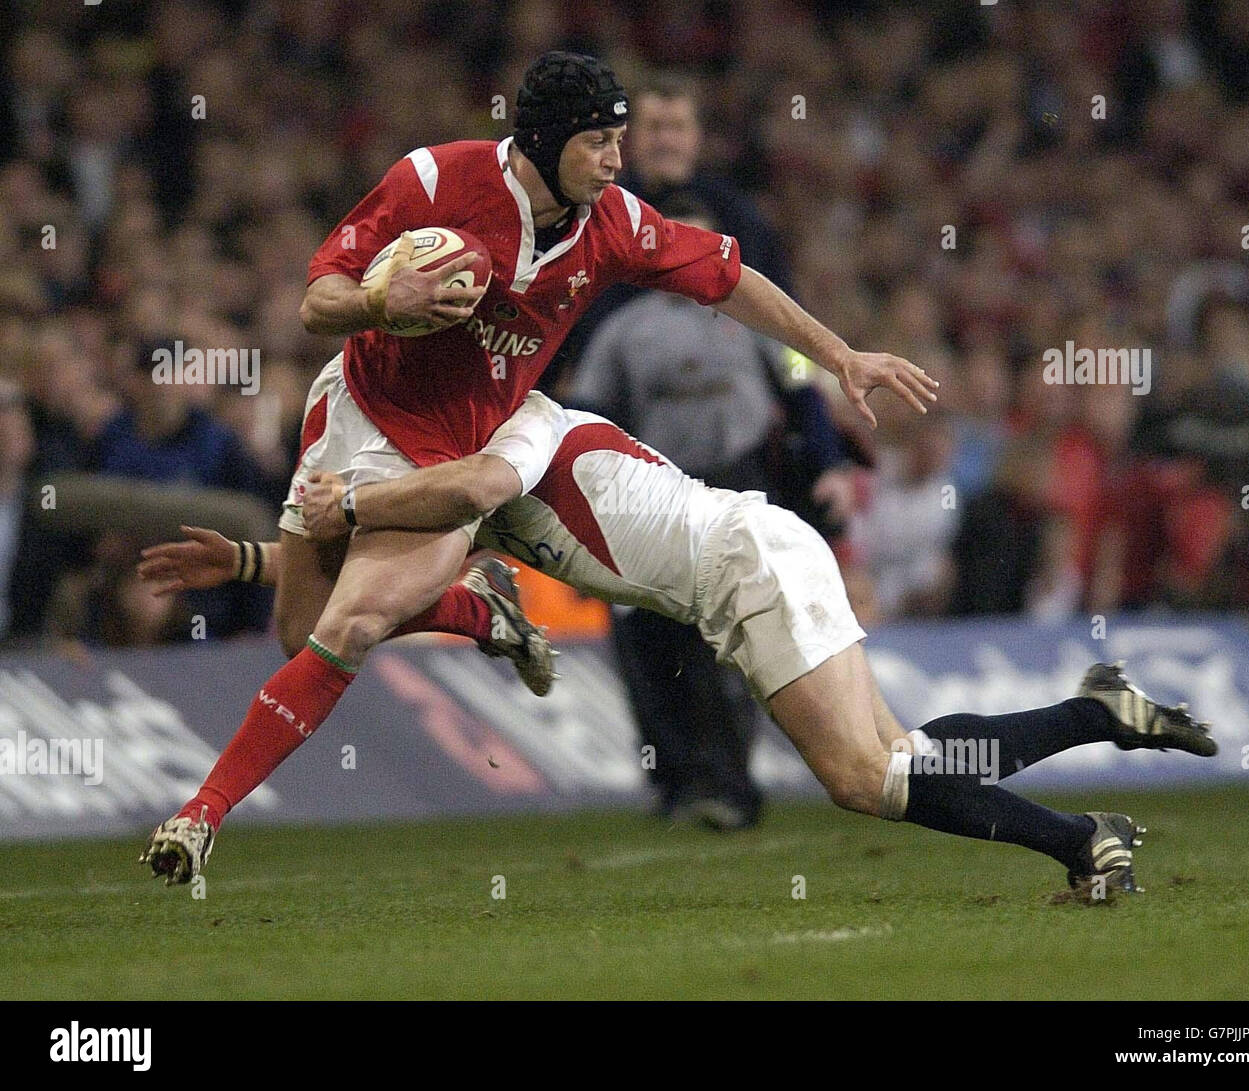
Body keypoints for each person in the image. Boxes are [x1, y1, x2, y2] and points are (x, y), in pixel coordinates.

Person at [138, 50, 937, 884]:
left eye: (625, 138)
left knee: (349, 627)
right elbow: (316, 300)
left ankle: (198, 818)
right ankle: (479, 613)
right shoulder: (433, 180)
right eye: (601, 141)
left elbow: (729, 277)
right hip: (357, 414)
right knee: (300, 632)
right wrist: (383, 301)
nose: (619, 160)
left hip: (464, 453)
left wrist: (837, 355)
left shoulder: (620, 221)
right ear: (547, 139)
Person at [142, 390, 1218, 899]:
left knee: (864, 775)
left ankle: (1081, 836)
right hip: (735, 573)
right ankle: (1097, 711)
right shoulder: (455, 463)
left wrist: (340, 507)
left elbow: (443, 509)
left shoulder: (511, 428)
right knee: (898, 757)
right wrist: (252, 560)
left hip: (746, 560)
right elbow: (378, 588)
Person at [569, 193, 853, 828]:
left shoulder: (752, 321)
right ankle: (675, 779)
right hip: (653, 494)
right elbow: (589, 416)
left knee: (732, 639)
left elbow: (801, 387)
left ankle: (730, 784)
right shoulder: (623, 330)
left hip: (738, 485)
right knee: (647, 639)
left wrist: (829, 463)